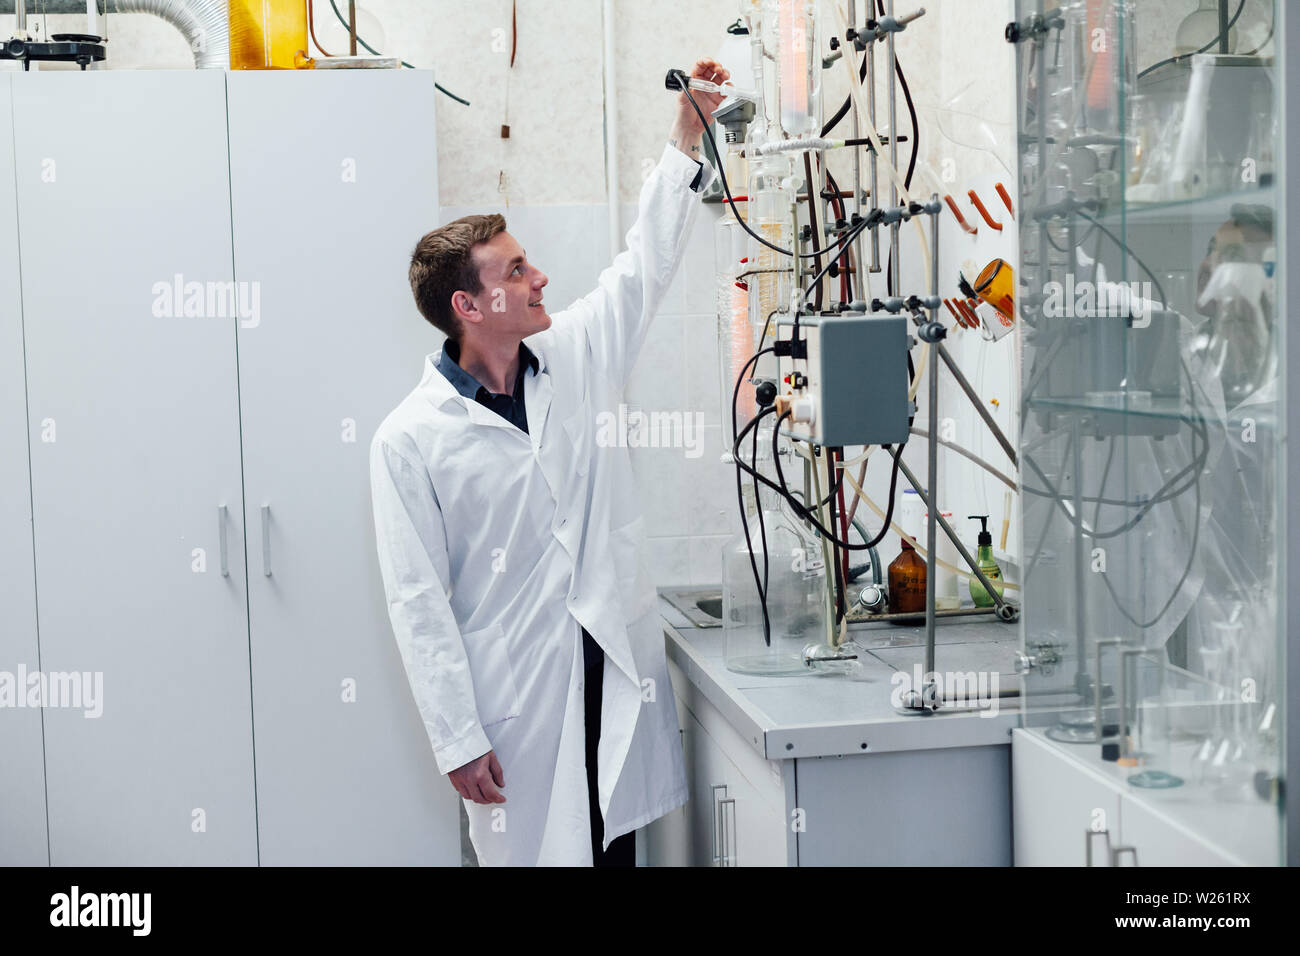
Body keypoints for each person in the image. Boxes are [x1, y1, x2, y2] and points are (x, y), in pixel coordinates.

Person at [369, 59, 728, 866]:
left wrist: (686, 135)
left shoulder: (573, 355)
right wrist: (456, 737)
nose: (541, 278)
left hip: (606, 669)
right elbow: (416, 601)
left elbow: (643, 268)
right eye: (517, 271)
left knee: (611, 851)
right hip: (515, 702)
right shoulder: (409, 438)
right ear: (468, 307)